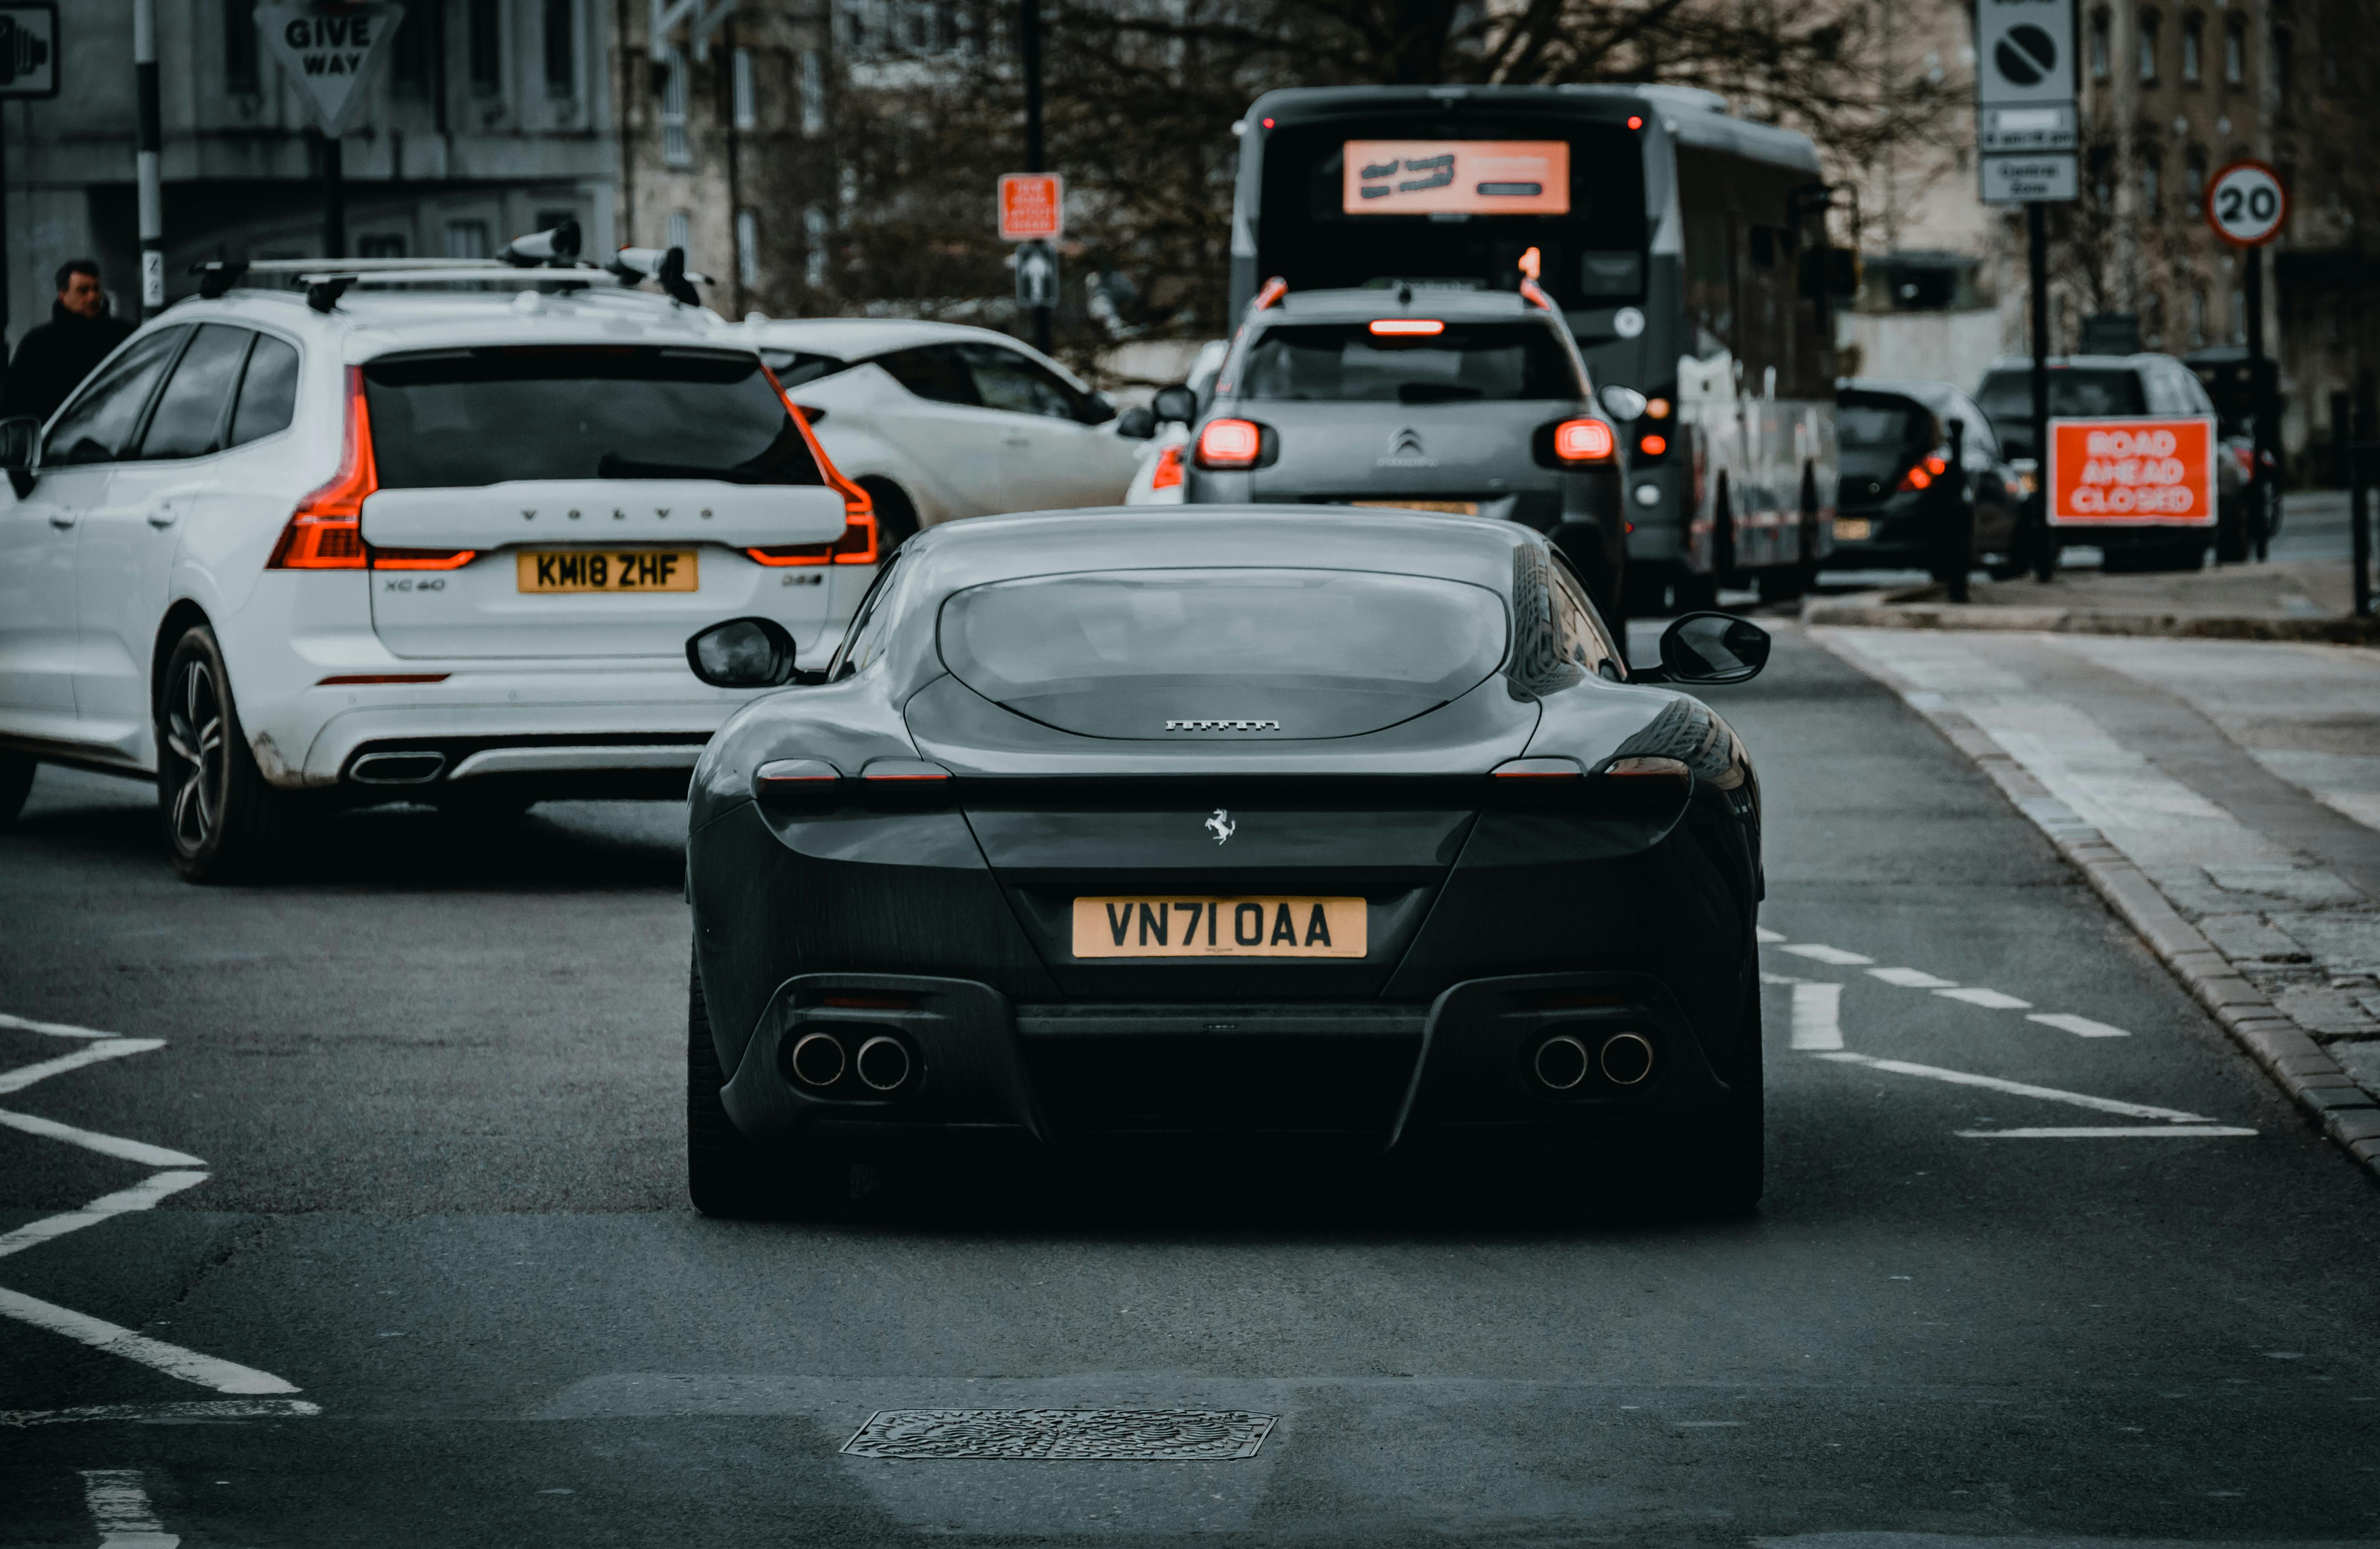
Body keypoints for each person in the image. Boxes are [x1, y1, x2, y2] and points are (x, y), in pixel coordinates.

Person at [4, 259, 136, 424]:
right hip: (58, 436)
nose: (93, 297)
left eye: (96, 289)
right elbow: (15, 405)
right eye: (83, 291)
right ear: (63, 295)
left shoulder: (122, 335)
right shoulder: (38, 344)